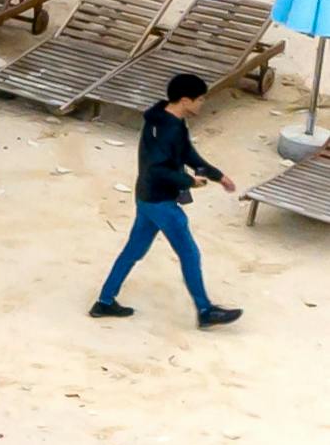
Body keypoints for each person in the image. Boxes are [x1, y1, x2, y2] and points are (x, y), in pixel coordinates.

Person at [95, 70, 243, 325]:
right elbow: (157, 169)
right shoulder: (168, 130)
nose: (202, 103)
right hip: (161, 202)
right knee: (189, 253)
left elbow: (187, 154)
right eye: (200, 99)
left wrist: (218, 176)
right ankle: (205, 310)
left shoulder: (166, 119)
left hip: (146, 196)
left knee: (134, 250)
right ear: (185, 100)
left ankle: (104, 301)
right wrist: (188, 181)